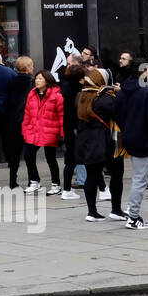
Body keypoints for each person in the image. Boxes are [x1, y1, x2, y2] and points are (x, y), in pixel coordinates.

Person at [115, 60, 148, 231]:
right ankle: (133, 216)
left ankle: (132, 212)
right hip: (143, 138)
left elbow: (118, 115)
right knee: (140, 179)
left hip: (128, 136)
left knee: (138, 176)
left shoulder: (123, 91)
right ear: (143, 72)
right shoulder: (147, 92)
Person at [75, 68, 118, 221]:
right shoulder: (104, 99)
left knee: (91, 176)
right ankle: (116, 209)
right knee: (116, 174)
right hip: (102, 141)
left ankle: (91, 211)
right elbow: (118, 112)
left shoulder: (80, 96)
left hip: (84, 140)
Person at [21, 70, 64, 195]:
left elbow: (61, 115)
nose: (37, 81)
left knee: (50, 158)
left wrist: (62, 133)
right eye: (36, 78)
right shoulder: (32, 94)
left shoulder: (56, 96)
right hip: (33, 130)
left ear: (47, 80)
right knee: (28, 155)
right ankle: (34, 182)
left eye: (40, 79)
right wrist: (25, 129)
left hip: (50, 131)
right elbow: (27, 114)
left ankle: (56, 185)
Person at [4, 56, 35, 189]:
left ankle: (12, 180)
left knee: (14, 154)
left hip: (12, 122)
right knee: (29, 153)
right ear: (27, 67)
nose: (33, 68)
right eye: (31, 65)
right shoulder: (32, 82)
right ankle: (32, 180)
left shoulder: (11, 81)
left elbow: (6, 101)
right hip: (27, 121)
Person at [58, 57, 86, 199]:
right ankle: (103, 188)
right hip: (77, 127)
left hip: (69, 127)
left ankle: (67, 189)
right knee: (88, 158)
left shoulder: (66, 86)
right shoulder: (79, 90)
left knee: (70, 160)